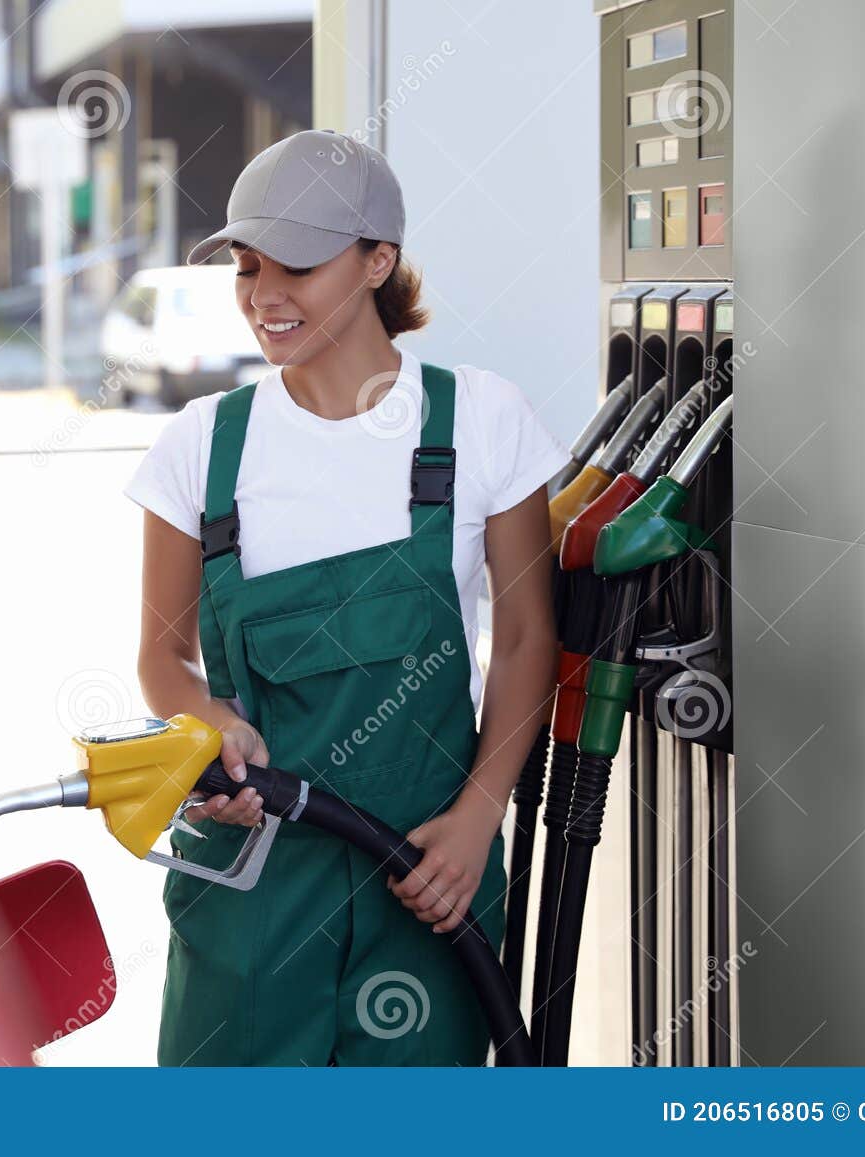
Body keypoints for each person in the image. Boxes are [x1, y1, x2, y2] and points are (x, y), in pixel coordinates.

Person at [124, 129, 565, 1066]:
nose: (264, 296)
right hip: (250, 886)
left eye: (298, 266)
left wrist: (481, 814)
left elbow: (528, 639)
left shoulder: (481, 421)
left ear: (378, 260)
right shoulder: (203, 446)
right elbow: (162, 658)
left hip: (425, 872)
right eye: (247, 268)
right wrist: (210, 731)